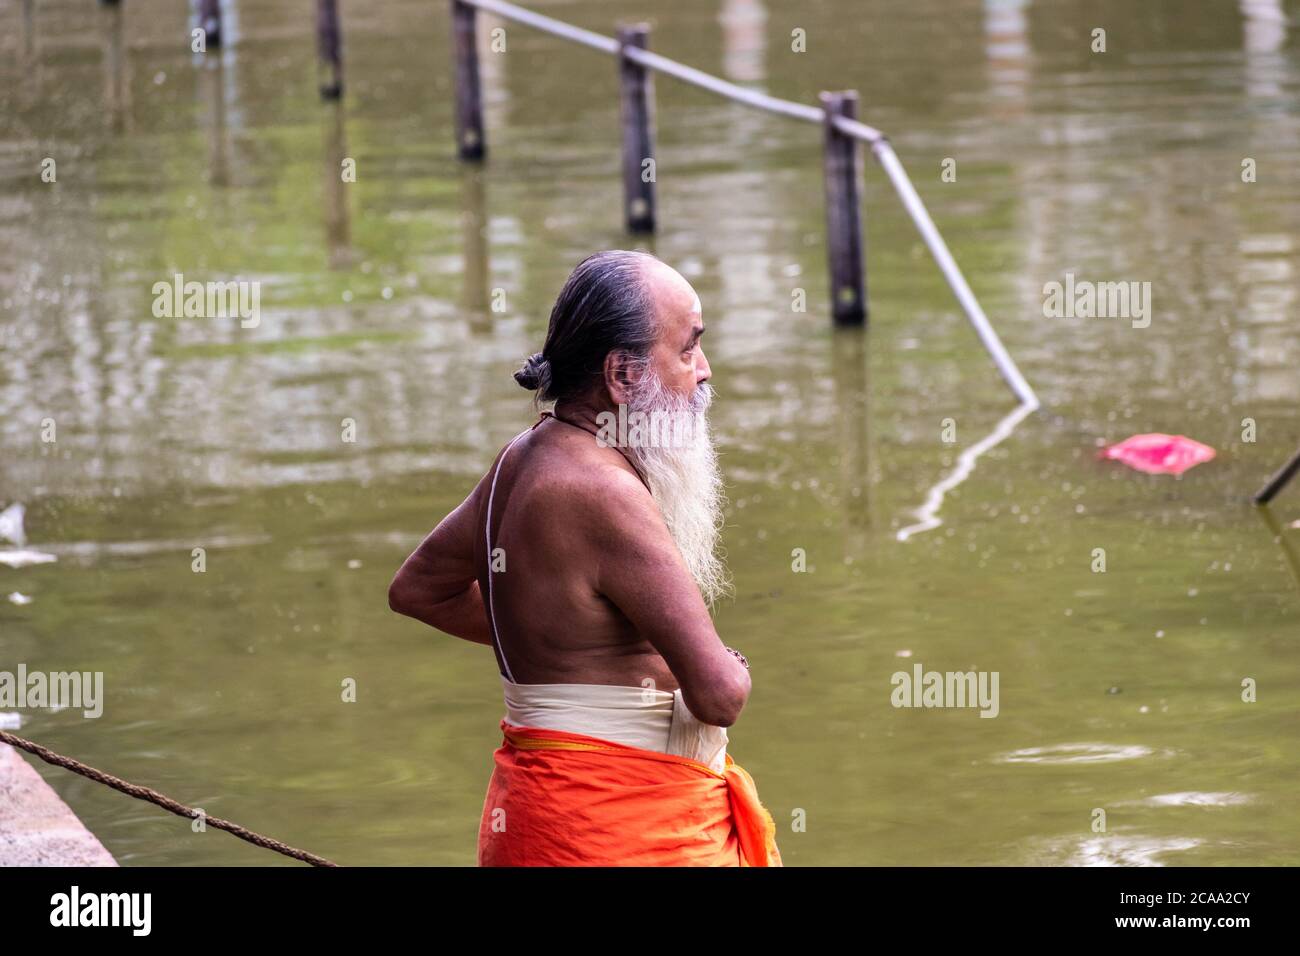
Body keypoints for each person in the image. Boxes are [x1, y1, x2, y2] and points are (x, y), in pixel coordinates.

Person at [388, 249, 781, 866]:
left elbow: (418, 590)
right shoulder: (605, 491)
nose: (704, 371)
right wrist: (733, 664)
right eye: (687, 349)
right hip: (622, 827)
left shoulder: (519, 460)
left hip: (537, 816)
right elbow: (720, 694)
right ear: (623, 377)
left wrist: (564, 652)